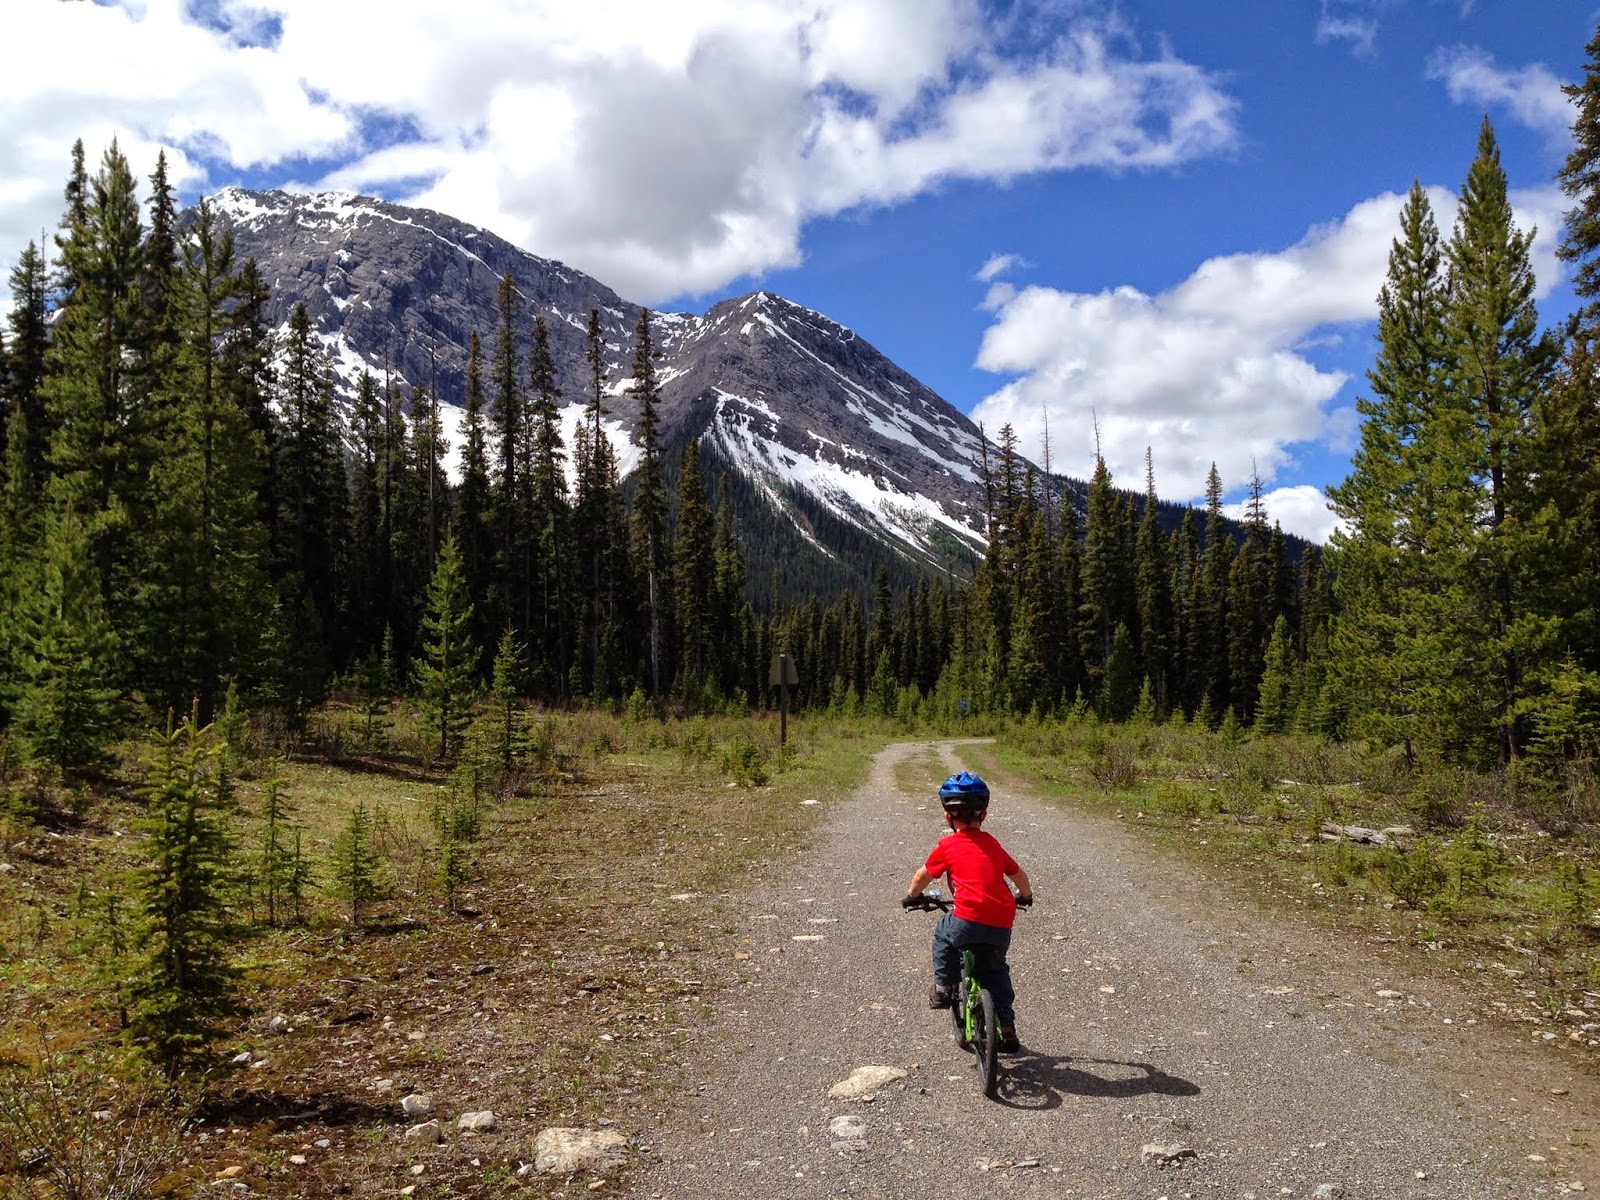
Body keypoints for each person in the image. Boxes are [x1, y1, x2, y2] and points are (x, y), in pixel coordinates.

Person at [902, 770, 1033, 1053]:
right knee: (996, 970)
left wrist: (912, 897)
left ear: (948, 817)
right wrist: (1025, 896)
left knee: (943, 935)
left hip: (967, 920)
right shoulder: (993, 844)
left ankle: (943, 988)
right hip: (1001, 921)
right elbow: (1018, 873)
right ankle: (1007, 1026)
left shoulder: (948, 845)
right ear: (983, 816)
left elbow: (923, 875)